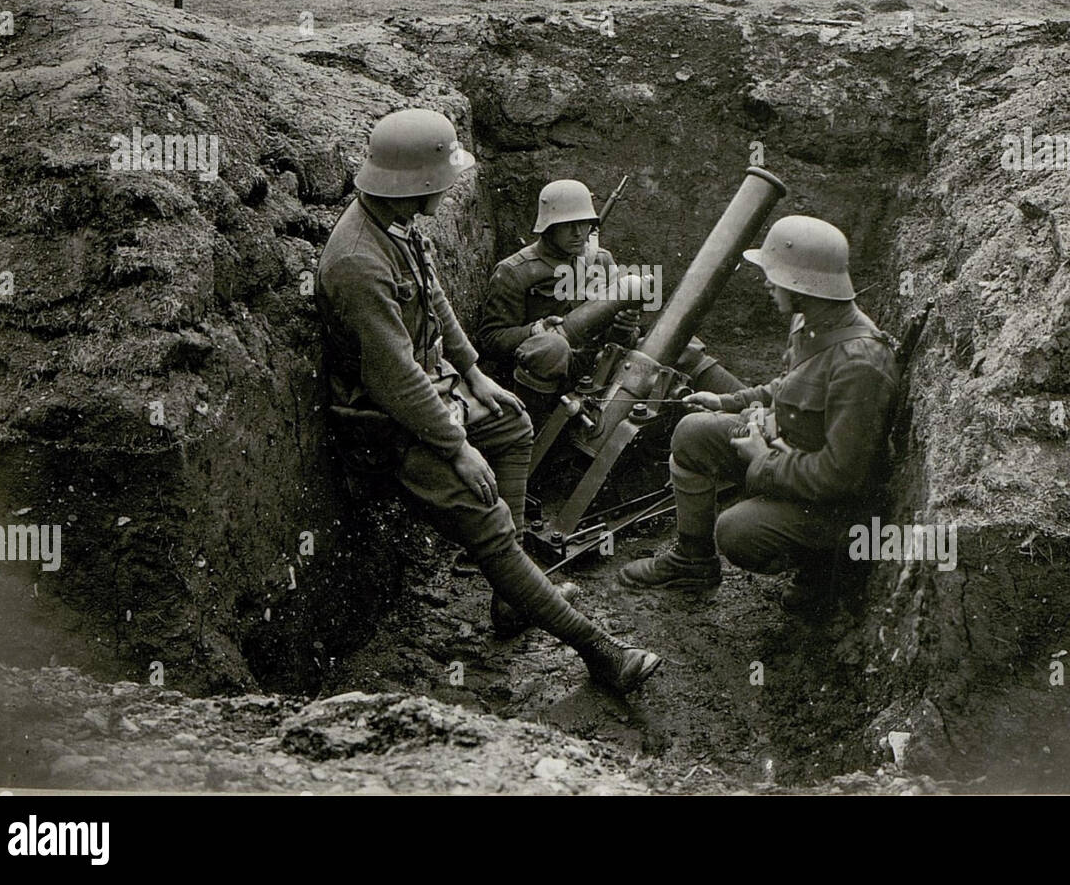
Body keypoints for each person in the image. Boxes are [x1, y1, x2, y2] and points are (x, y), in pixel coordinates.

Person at [317, 109, 660, 693]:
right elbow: (394, 377)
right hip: (387, 422)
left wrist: (475, 374)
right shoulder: (358, 261)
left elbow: (437, 302)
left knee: (512, 423)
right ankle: (602, 654)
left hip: (433, 389)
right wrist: (456, 448)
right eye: (444, 176)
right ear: (419, 180)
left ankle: (512, 598)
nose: (452, 187)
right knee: (491, 520)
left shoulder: (396, 223)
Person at [617, 215, 898, 616]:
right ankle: (691, 562)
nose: (767, 283)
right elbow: (787, 386)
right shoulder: (810, 321)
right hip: (789, 453)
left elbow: (843, 477)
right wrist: (728, 402)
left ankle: (826, 569)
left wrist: (762, 461)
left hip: (839, 508)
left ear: (804, 284)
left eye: (775, 275)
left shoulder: (861, 365)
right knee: (693, 432)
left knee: (736, 532)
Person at [478, 179, 742, 425]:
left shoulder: (600, 260)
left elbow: (621, 337)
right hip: (547, 376)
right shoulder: (514, 271)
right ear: (548, 225)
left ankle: (752, 404)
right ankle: (533, 431)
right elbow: (490, 341)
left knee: (677, 343)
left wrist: (625, 327)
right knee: (551, 347)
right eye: (568, 224)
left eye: (584, 223)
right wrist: (536, 330)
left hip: (598, 366)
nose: (578, 232)